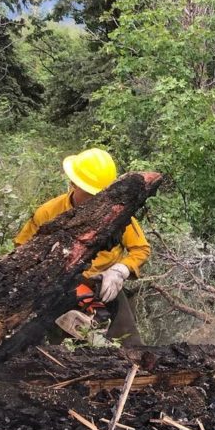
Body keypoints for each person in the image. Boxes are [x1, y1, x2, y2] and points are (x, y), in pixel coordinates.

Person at [15, 148, 150, 345]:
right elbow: (22, 250)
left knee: (130, 345)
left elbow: (141, 249)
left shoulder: (117, 213)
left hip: (104, 286)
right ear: (73, 183)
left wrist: (120, 270)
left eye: (101, 195)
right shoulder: (48, 213)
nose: (95, 201)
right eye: (89, 194)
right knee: (62, 353)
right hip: (59, 291)